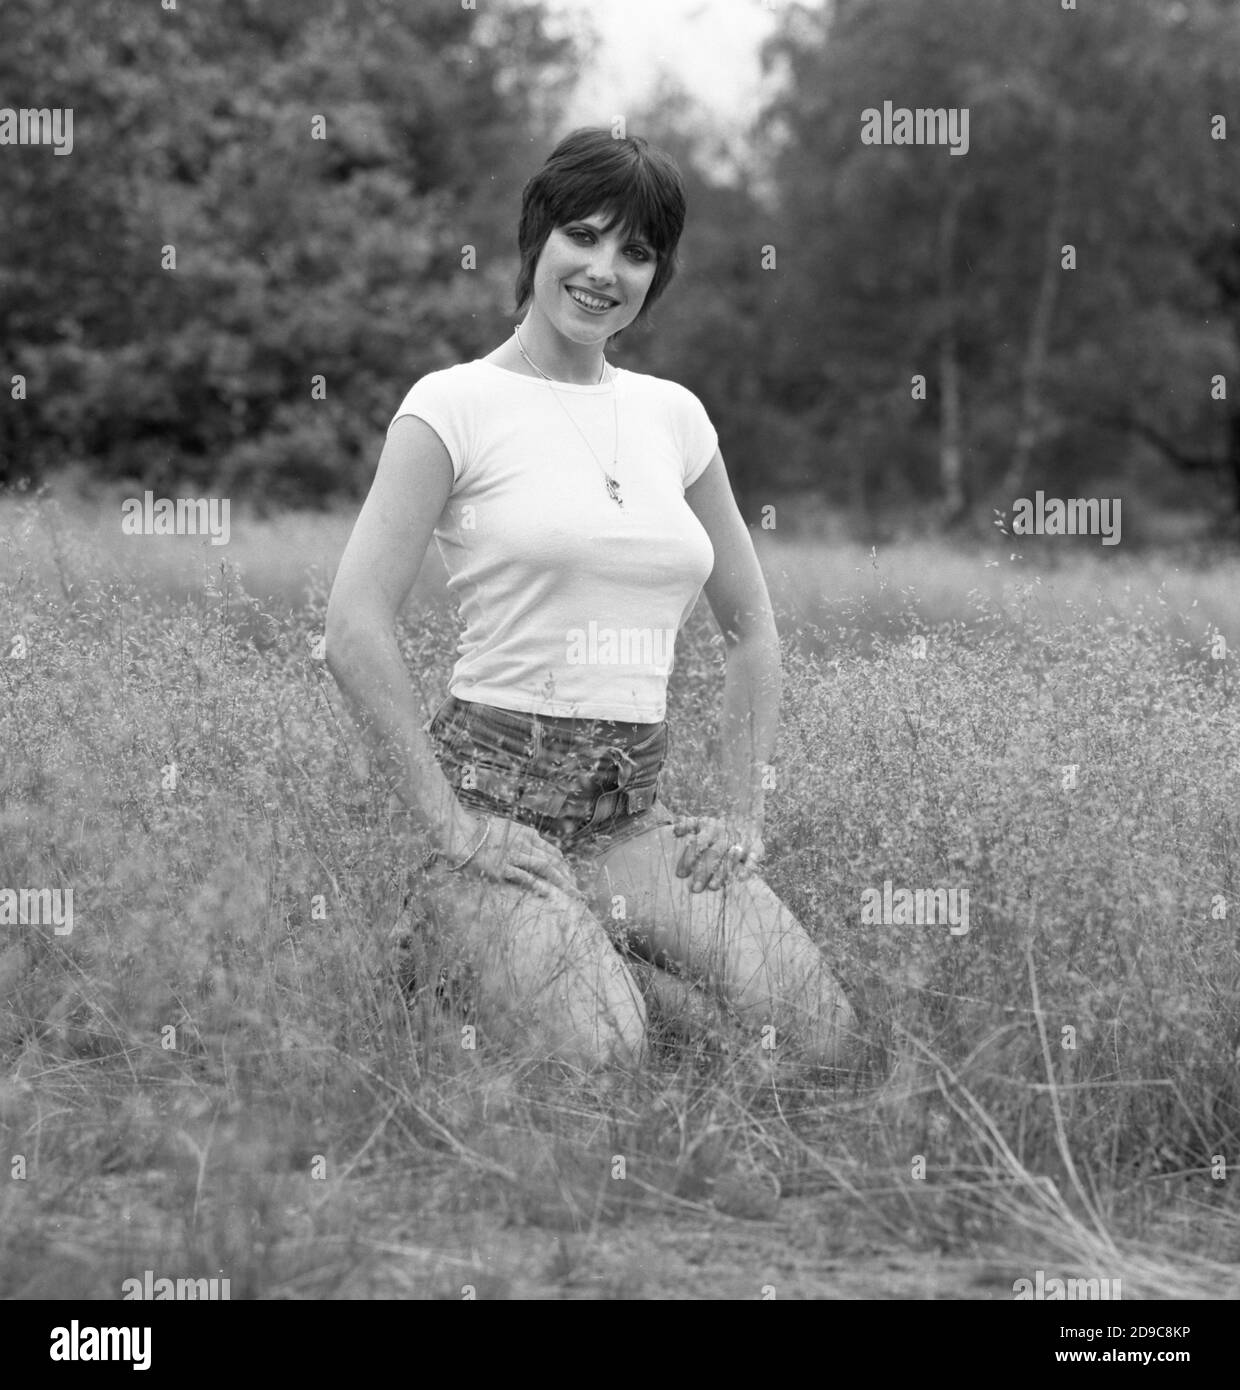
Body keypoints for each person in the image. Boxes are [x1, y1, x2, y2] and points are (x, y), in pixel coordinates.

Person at [325, 128, 855, 1070]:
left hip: (634, 823)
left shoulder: (675, 417)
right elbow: (353, 627)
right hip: (496, 820)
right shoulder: (451, 406)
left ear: (658, 273)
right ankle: (449, 950)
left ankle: (609, 961)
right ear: (538, 239)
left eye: (637, 252)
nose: (604, 270)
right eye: (584, 236)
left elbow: (752, 630)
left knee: (822, 1042)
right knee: (608, 1061)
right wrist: (453, 825)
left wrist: (741, 813)